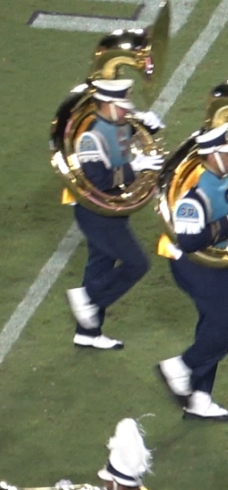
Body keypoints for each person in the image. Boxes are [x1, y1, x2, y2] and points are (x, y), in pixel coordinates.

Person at [155, 123, 228, 420]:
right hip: (194, 267)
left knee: (213, 326)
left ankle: (199, 400)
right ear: (213, 157)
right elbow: (189, 241)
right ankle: (180, 367)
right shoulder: (193, 198)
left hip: (221, 263)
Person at [64, 78, 163, 350]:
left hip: (112, 209)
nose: (125, 111)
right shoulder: (90, 138)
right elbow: (99, 179)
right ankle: (87, 296)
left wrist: (148, 127)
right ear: (106, 105)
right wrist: (136, 166)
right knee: (137, 263)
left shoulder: (118, 126)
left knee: (100, 266)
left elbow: (125, 141)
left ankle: (88, 332)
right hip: (96, 212)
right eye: (120, 107)